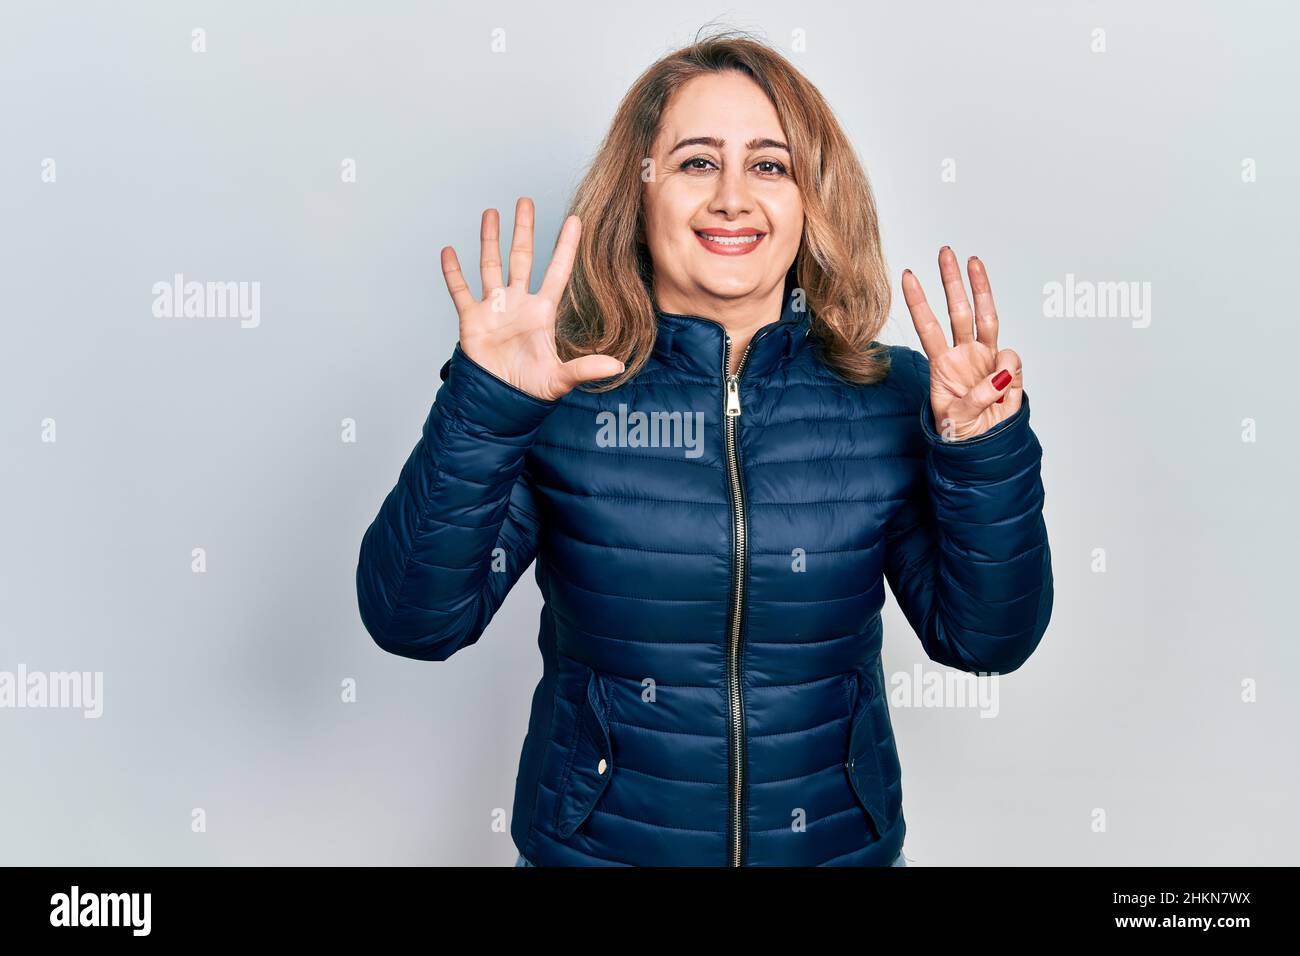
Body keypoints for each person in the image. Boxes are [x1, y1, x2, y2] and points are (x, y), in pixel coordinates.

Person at [355, 30, 1053, 867]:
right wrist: (484, 407)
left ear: (811, 199)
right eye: (695, 162)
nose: (732, 197)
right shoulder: (562, 394)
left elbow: (987, 642)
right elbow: (411, 622)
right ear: (639, 194)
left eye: (769, 164)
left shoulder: (892, 396)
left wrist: (982, 450)